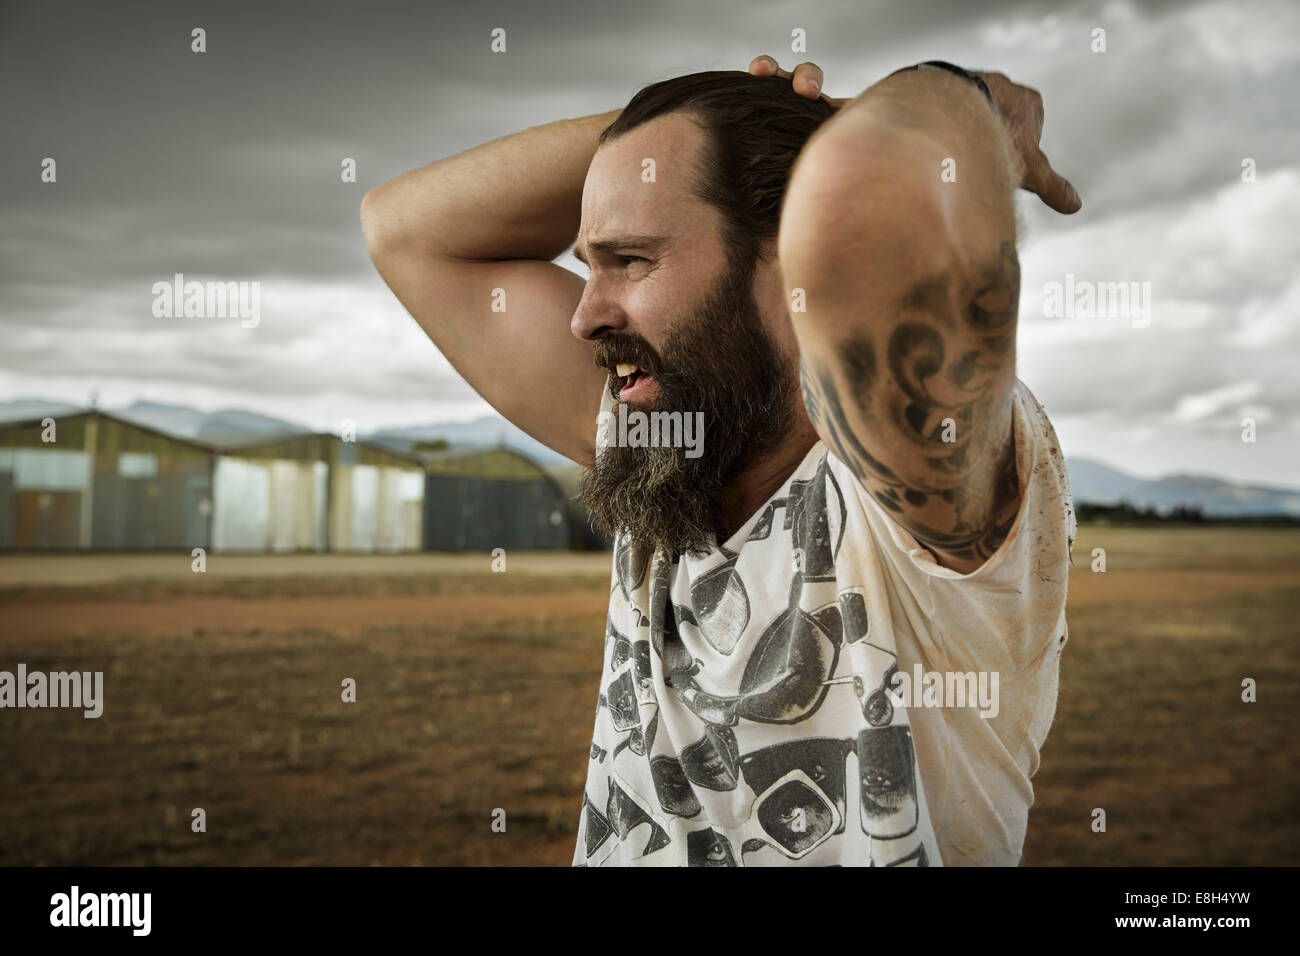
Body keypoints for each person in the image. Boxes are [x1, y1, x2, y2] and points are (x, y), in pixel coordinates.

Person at [361, 53, 1081, 866]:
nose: (585, 316)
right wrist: (724, 122)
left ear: (788, 262)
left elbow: (874, 183)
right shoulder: (666, 436)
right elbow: (405, 228)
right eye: (586, 265)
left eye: (629, 260)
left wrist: (969, 107)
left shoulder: (901, 493)